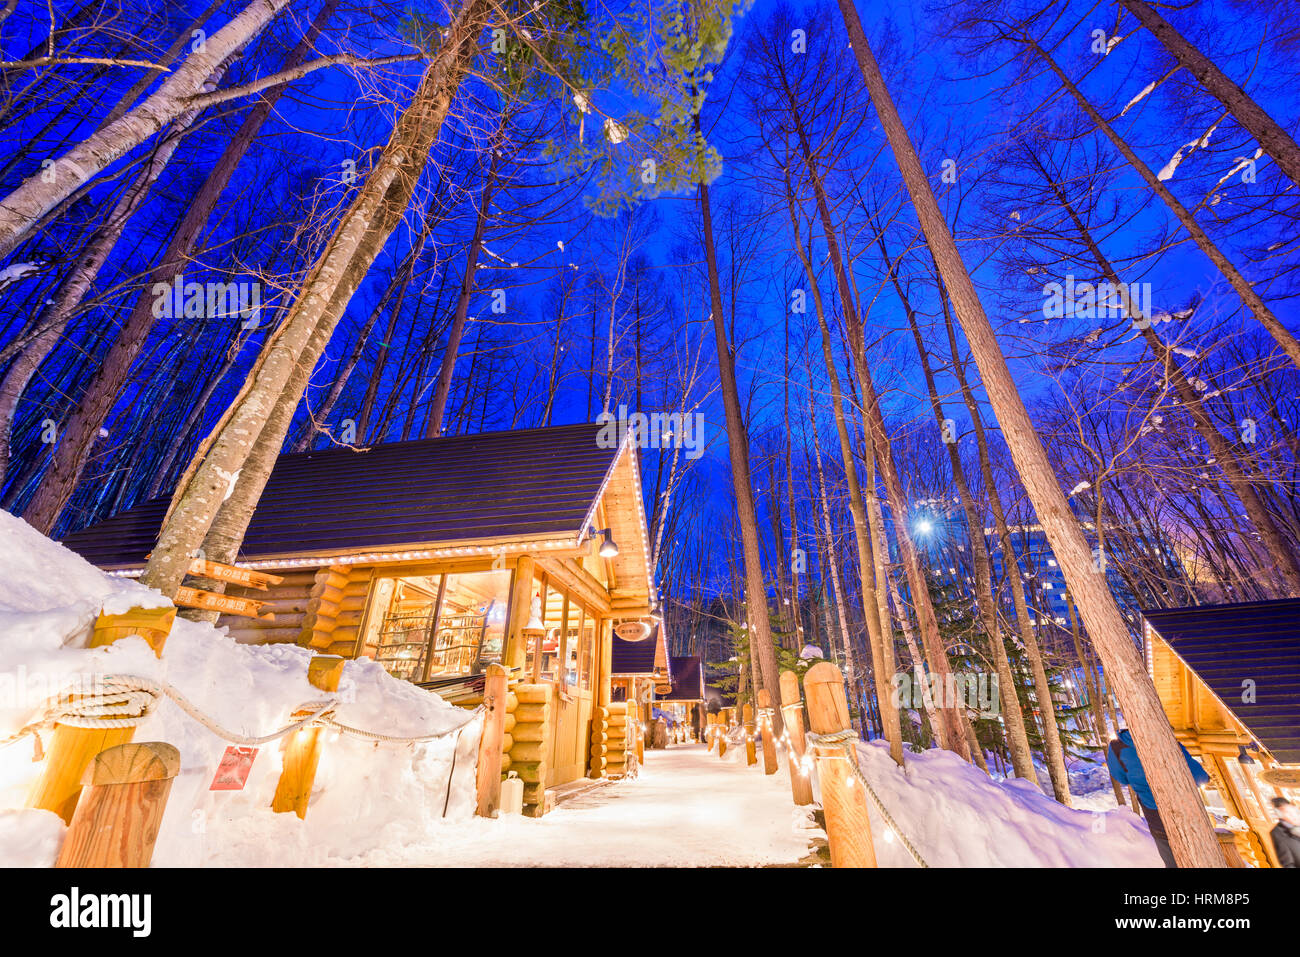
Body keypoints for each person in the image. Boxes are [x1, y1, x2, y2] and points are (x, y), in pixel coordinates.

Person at [1106, 728, 1210, 867]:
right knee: (1201, 857)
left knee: (1171, 858)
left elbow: (1121, 778)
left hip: (1154, 814)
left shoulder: (1117, 746)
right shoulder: (1165, 739)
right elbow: (1199, 777)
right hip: (1185, 811)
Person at [1270, 797, 1300, 868]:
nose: (1293, 815)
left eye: (1293, 811)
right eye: (1287, 812)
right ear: (1279, 814)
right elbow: (1288, 864)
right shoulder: (1277, 833)